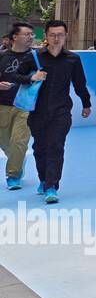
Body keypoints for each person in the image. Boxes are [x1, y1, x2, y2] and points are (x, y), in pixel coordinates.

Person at [28, 20, 91, 204]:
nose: (56, 39)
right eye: (53, 35)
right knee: (40, 147)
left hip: (61, 110)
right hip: (37, 111)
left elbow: (80, 83)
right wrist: (32, 77)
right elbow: (20, 78)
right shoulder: (34, 57)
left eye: (60, 35)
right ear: (46, 36)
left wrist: (86, 104)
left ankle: (51, 186)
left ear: (66, 36)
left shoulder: (73, 59)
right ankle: (43, 179)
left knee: (56, 145)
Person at [0, 23, 45, 190]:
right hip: (2, 104)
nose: (31, 37)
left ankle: (13, 175)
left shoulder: (37, 56)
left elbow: (42, 76)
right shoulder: (2, 56)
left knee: (19, 141)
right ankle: (17, 159)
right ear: (14, 37)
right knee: (5, 142)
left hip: (25, 105)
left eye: (32, 34)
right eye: (27, 34)